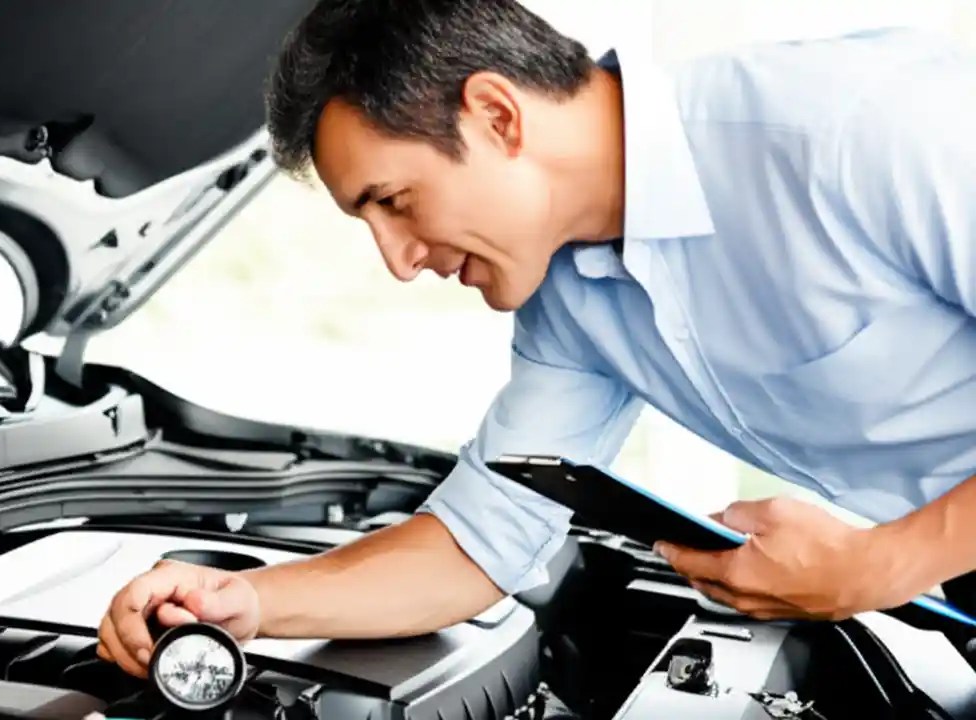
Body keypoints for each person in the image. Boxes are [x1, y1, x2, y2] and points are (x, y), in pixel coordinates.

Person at [96, 0, 976, 678]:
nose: (399, 263)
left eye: (394, 202)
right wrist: (242, 601)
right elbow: (477, 542)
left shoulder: (854, 130)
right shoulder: (569, 302)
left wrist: (881, 562)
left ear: (496, 117)